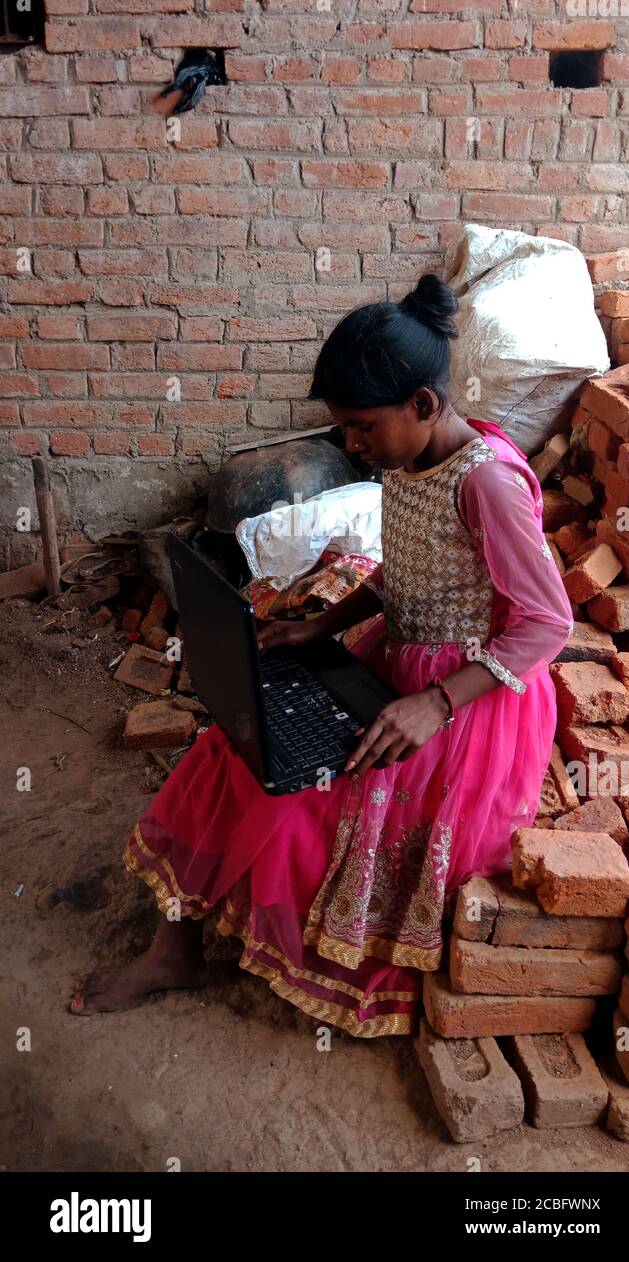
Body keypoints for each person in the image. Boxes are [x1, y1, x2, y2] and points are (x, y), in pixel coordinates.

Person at [71, 275, 574, 1035]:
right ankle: (173, 949)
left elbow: (548, 623)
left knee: (294, 797)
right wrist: (327, 622)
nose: (352, 445)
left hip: (465, 705)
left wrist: (435, 704)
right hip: (399, 664)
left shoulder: (491, 484)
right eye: (344, 428)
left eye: (362, 427)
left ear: (425, 405)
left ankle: (215, 932)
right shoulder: (409, 462)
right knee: (228, 752)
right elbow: (410, 570)